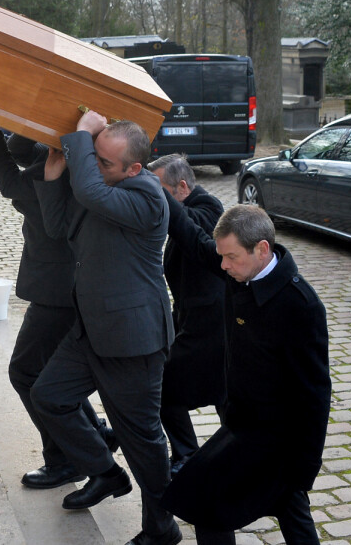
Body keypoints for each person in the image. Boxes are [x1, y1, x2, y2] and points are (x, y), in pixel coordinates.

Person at [31, 112, 181, 545]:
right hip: (91, 329)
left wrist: (79, 136)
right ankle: (105, 472)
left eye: (103, 162)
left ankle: (161, 526)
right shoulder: (101, 187)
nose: (93, 166)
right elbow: (59, 226)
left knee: (145, 442)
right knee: (49, 397)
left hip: (133, 340)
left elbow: (89, 189)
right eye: (93, 157)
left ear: (134, 168)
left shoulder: (146, 196)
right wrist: (51, 174)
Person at [161, 204, 330, 544]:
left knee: (208, 502)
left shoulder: (301, 306)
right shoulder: (239, 269)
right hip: (241, 424)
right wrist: (154, 191)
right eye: (222, 256)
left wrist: (305, 465)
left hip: (274, 442)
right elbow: (195, 242)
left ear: (262, 249)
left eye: (231, 257)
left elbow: (314, 394)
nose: (223, 265)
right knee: (282, 508)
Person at [0, 127, 118, 490]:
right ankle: (93, 435)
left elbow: (12, 184)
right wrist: (26, 121)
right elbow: (23, 148)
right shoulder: (72, 159)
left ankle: (66, 458)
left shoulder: (64, 172)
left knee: (27, 372)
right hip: (63, 289)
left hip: (59, 293)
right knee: (51, 375)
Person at [147, 154, 226, 474]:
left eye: (159, 189)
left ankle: (188, 457)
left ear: (181, 186)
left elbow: (190, 229)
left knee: (165, 387)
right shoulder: (191, 206)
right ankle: (191, 456)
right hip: (192, 321)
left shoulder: (211, 209)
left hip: (212, 325)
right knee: (223, 396)